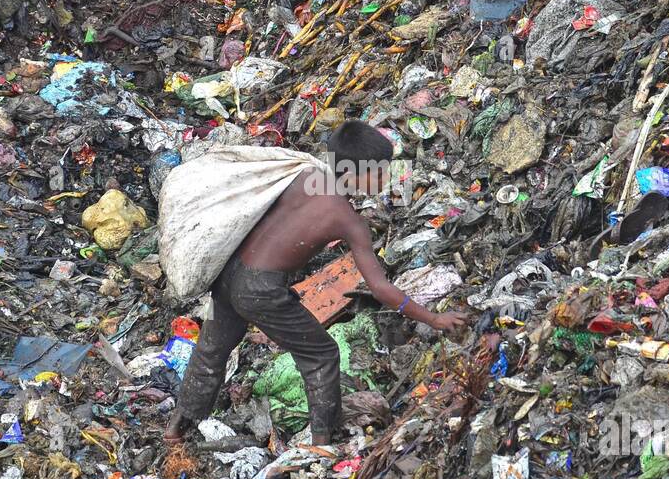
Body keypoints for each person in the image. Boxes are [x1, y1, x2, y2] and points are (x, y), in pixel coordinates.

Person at [164, 121, 469, 446]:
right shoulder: (348, 219)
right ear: (354, 172)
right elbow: (381, 288)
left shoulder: (303, 176)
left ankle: (175, 430)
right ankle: (321, 446)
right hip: (260, 289)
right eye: (379, 172)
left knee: (211, 350)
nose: (385, 180)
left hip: (227, 275)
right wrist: (435, 319)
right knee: (322, 355)